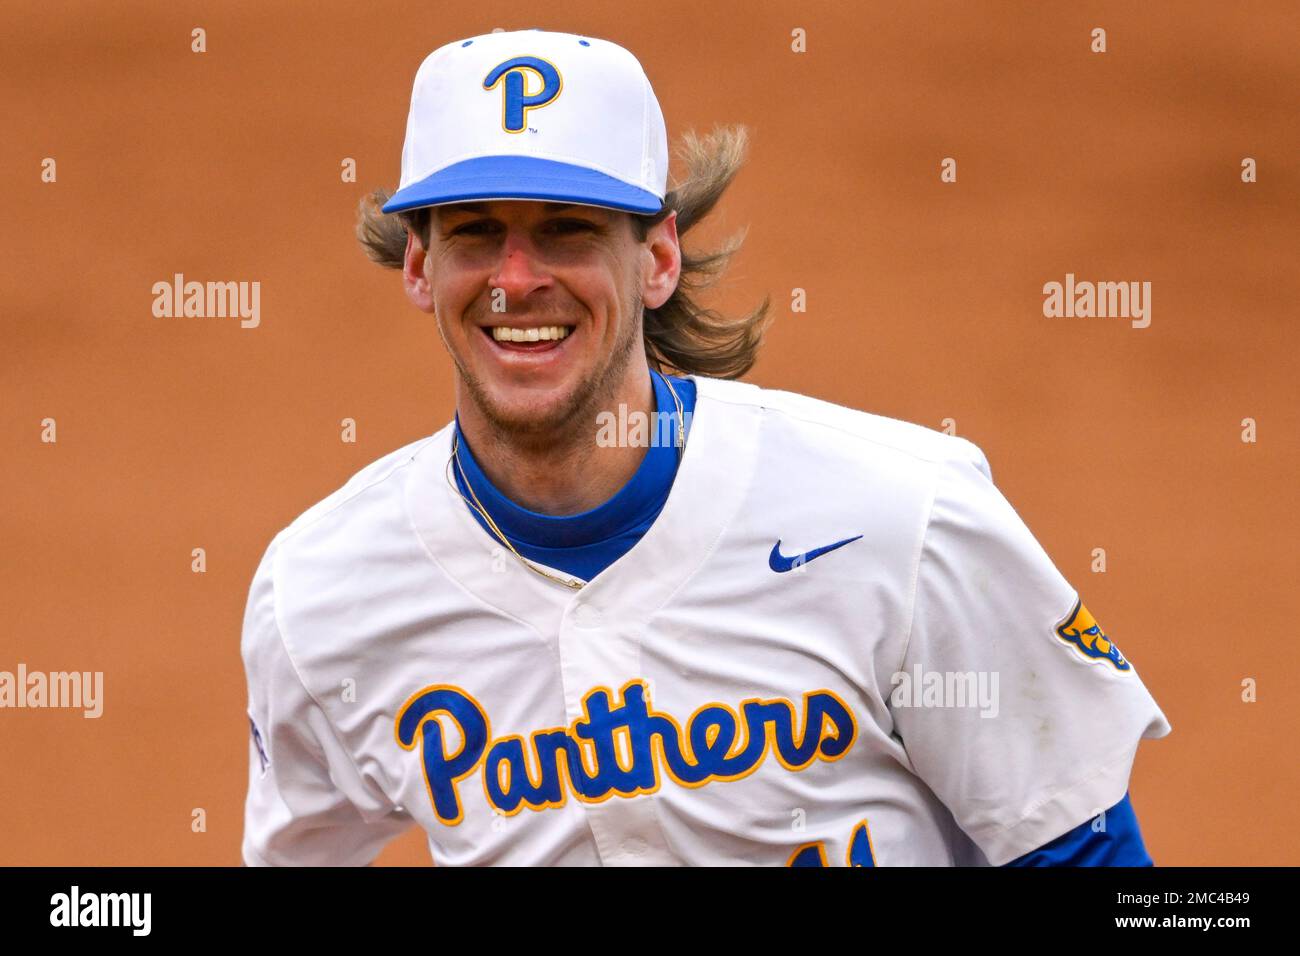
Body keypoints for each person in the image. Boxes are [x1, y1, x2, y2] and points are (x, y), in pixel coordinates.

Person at [240, 28, 1170, 866]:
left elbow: (1081, 853)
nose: (516, 281)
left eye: (568, 230)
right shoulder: (323, 596)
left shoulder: (901, 519)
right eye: (477, 233)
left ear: (658, 259)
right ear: (418, 263)